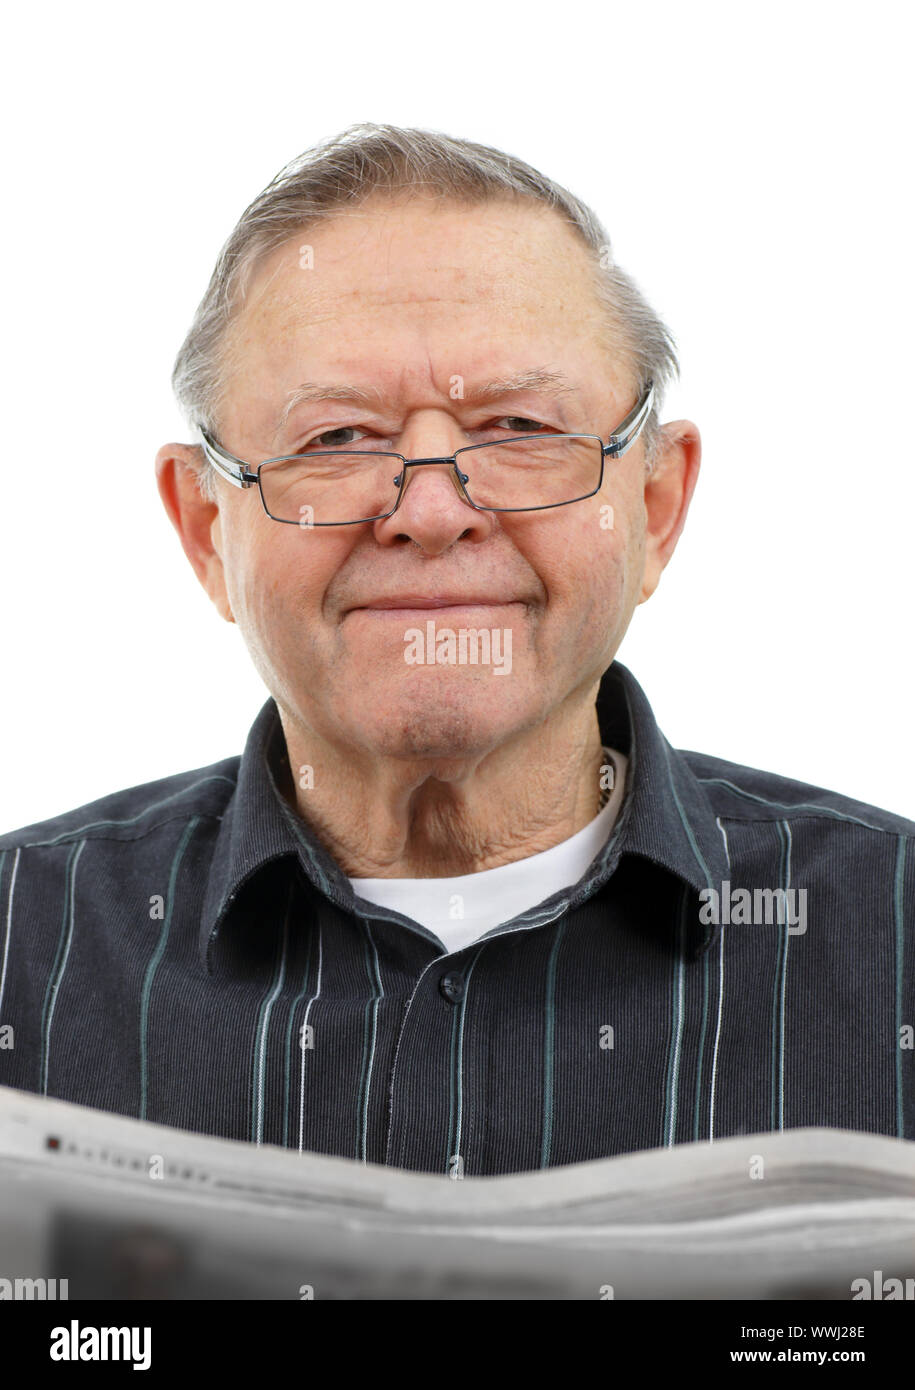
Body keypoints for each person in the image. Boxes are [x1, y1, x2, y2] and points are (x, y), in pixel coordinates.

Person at [1, 124, 911, 1174]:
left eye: (521, 426)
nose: (432, 512)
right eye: (337, 439)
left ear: (656, 505)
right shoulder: (23, 950)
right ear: (207, 526)